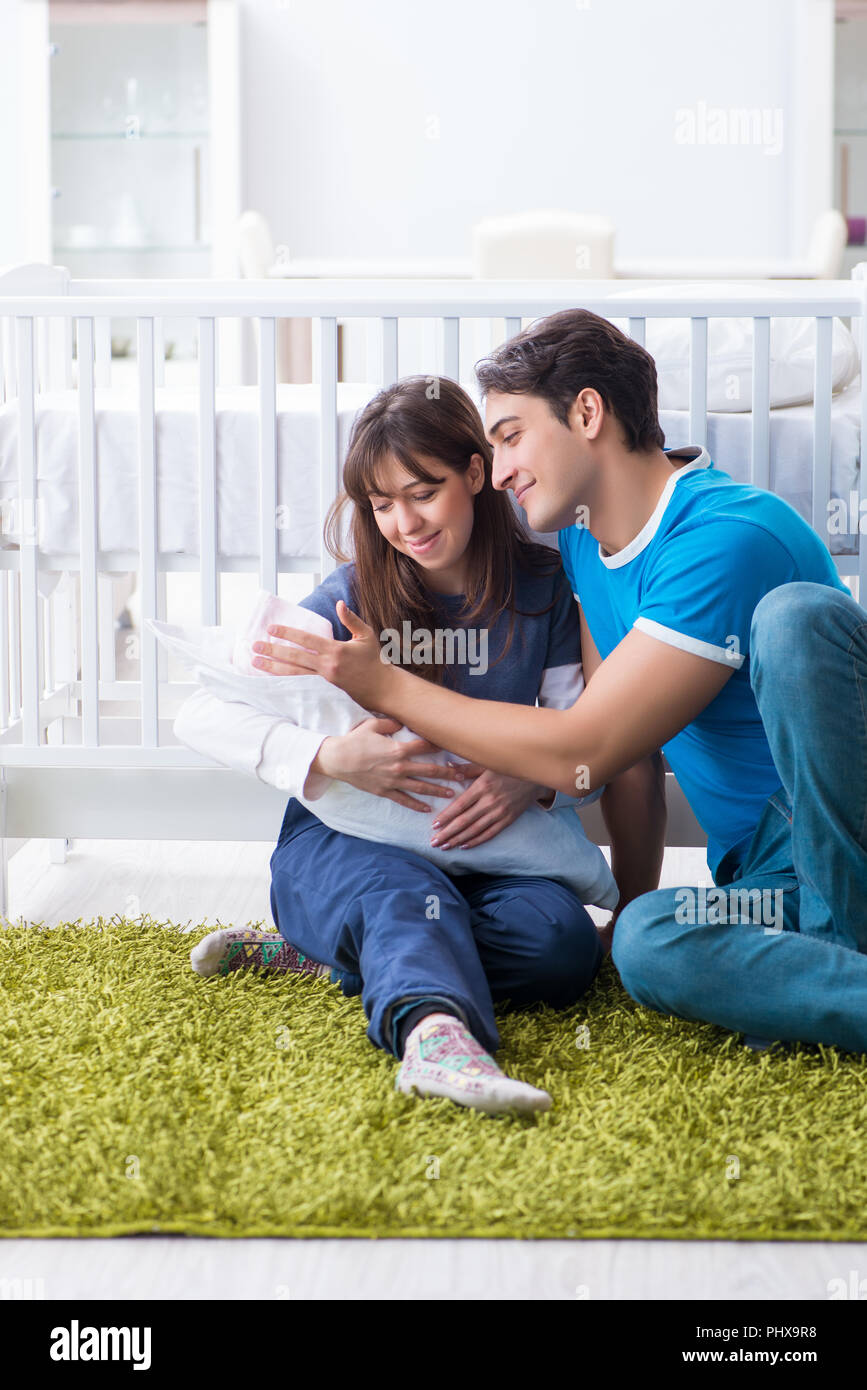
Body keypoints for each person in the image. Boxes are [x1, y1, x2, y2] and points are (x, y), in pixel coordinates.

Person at [252, 308, 867, 1058]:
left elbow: (584, 745)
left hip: (834, 834)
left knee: (794, 618)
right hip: (764, 871)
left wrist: (386, 687)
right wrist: (621, 892)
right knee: (647, 939)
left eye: (510, 435)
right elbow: (614, 755)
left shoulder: (725, 536)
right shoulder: (581, 543)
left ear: (586, 412)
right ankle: (834, 973)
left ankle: (835, 954)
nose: (500, 470)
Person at [175, 375, 615, 1115]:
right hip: (347, 851)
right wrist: (328, 758)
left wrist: (527, 780)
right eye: (382, 505)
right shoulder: (348, 598)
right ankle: (436, 1039)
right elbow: (203, 711)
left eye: (423, 492)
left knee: (559, 948)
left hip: (490, 852)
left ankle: (333, 955)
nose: (404, 522)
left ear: (475, 474)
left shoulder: (544, 590)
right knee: (405, 895)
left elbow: (587, 749)